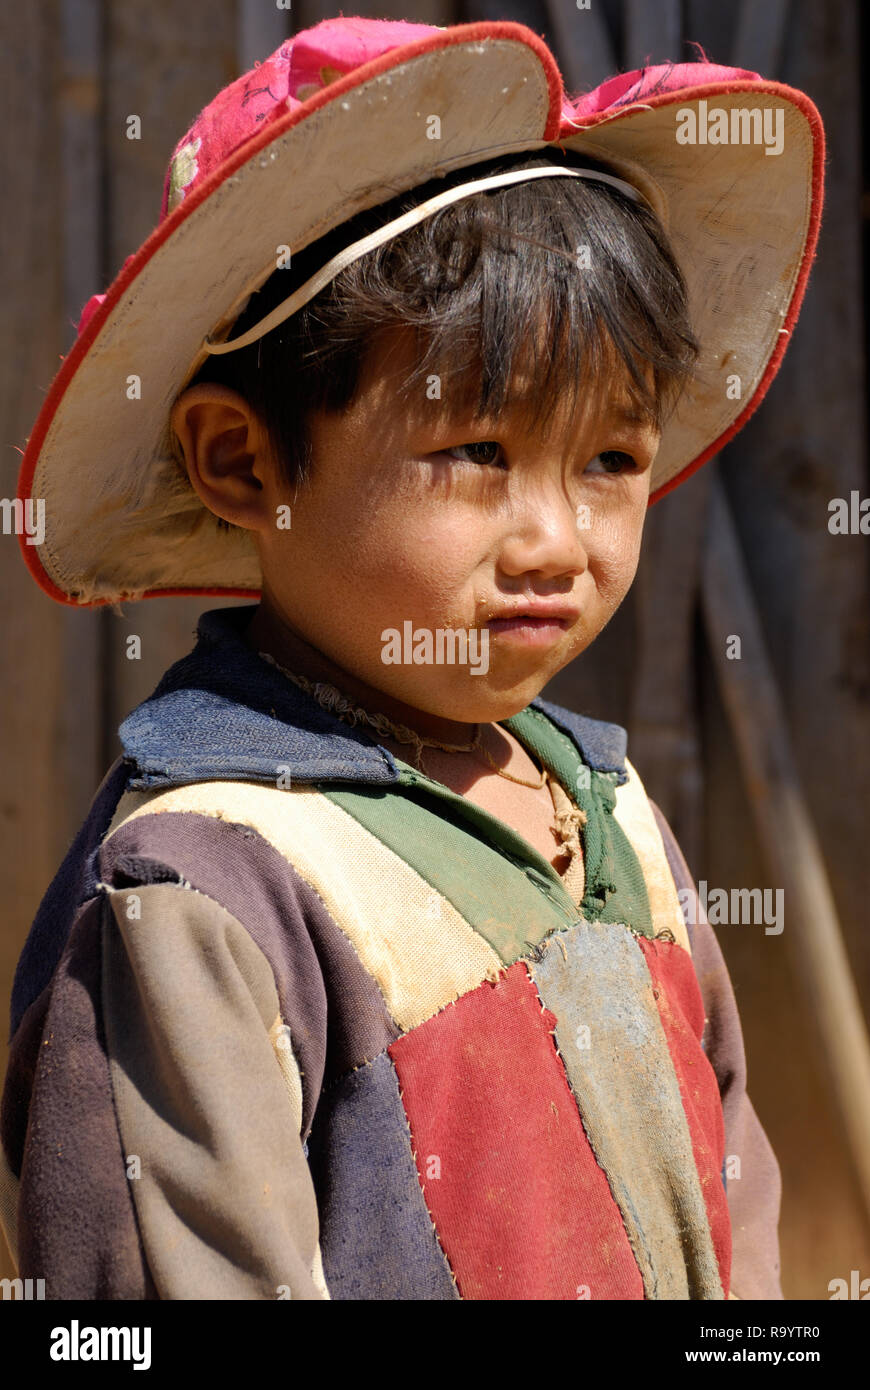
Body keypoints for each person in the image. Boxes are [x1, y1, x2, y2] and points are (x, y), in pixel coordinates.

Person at [1, 14, 824, 1299]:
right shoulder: (204, 895)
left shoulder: (607, 809)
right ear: (246, 463)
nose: (558, 539)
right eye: (478, 453)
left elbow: (734, 1194)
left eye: (610, 459)